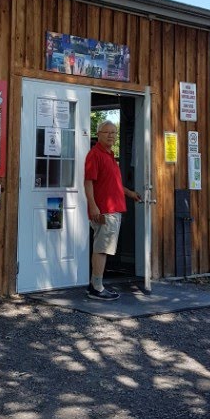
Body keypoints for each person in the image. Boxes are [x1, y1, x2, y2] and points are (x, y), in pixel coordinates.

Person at [84, 121, 141, 300]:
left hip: (113, 210)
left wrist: (131, 193)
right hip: (104, 211)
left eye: (114, 133)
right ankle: (97, 287)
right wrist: (93, 205)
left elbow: (114, 184)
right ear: (98, 134)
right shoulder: (95, 155)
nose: (111, 135)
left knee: (104, 247)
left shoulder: (110, 156)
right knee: (102, 248)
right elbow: (88, 182)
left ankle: (95, 283)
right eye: (107, 132)